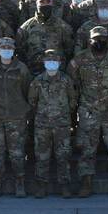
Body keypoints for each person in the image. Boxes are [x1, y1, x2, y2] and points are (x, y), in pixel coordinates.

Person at [70, 25, 108, 196]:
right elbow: (73, 83)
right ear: (89, 41)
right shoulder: (79, 59)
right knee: (87, 148)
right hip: (89, 109)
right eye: (96, 39)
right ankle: (85, 182)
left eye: (103, 39)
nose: (99, 42)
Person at [0, 36, 32, 197]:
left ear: (14, 50)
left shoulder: (21, 69)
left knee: (17, 154)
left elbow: (26, 91)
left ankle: (20, 182)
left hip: (16, 118)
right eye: (3, 48)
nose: (6, 50)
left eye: (9, 48)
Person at [29, 48, 77, 197]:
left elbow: (73, 100)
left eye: (54, 61)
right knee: (41, 157)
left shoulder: (66, 80)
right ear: (44, 62)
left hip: (61, 124)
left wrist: (62, 115)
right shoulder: (37, 81)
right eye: (48, 60)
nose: (51, 63)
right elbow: (32, 101)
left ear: (59, 62)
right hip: (42, 125)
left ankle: (65, 186)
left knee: (63, 156)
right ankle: (41, 186)